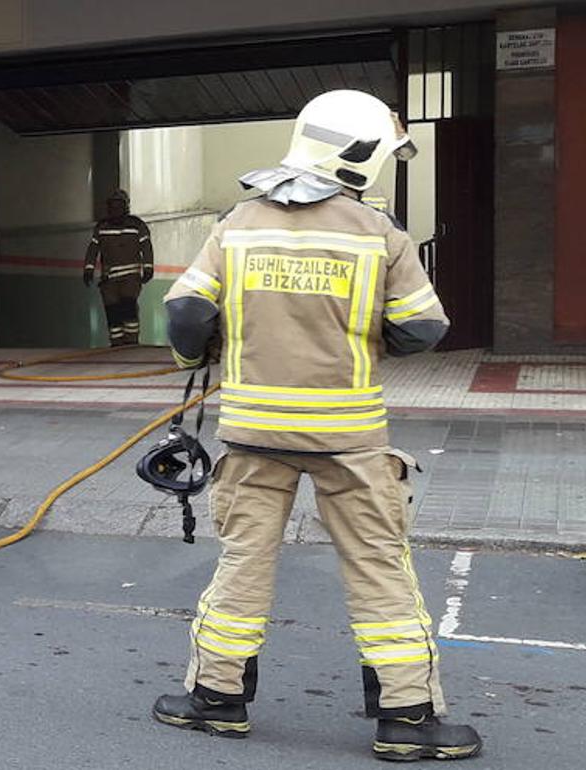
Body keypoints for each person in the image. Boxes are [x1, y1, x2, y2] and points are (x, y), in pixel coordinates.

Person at [154, 90, 481, 762]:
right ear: (360, 155)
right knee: (380, 569)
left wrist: (199, 356)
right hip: (349, 437)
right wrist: (369, 336)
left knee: (243, 566)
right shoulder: (377, 232)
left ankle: (217, 702)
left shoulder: (237, 222)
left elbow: (186, 314)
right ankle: (408, 721)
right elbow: (425, 325)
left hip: (252, 435)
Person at [83, 189, 154, 346]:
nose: (115, 210)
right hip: (109, 280)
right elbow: (93, 249)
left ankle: (131, 342)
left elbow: (146, 247)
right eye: (112, 206)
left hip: (131, 278)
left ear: (126, 207)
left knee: (128, 307)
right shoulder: (102, 227)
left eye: (118, 206)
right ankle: (116, 344)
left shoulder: (137, 225)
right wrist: (88, 269)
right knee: (113, 311)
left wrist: (148, 268)